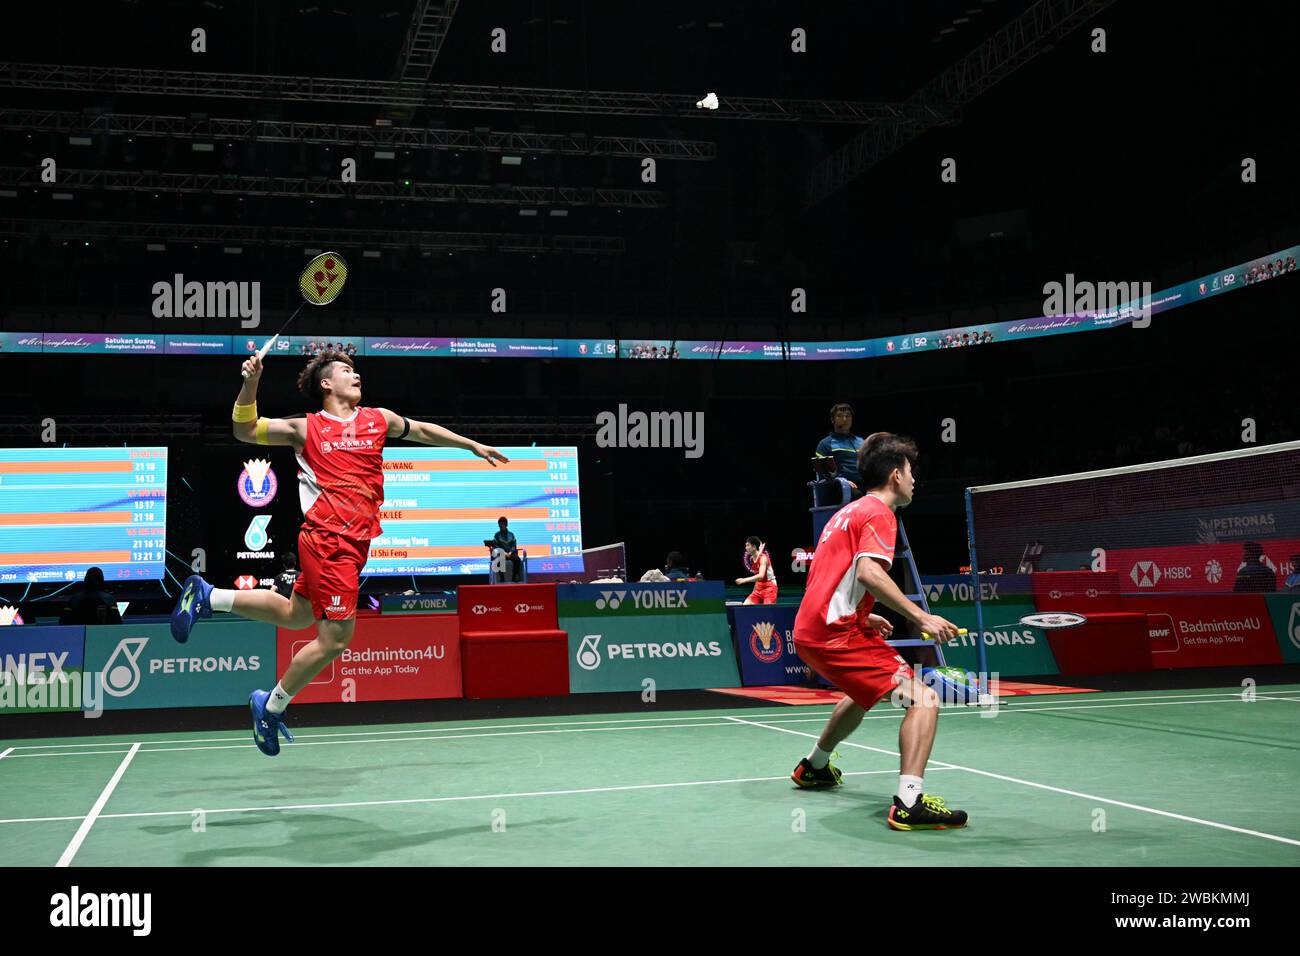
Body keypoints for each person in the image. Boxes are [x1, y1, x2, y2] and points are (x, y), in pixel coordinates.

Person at [170, 348, 507, 756]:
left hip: (353, 542)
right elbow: (245, 430)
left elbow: (421, 430)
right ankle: (271, 706)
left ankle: (209, 596)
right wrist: (251, 381)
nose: (357, 374)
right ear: (326, 384)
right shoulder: (306, 429)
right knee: (335, 639)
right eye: (347, 371)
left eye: (356, 369)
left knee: (296, 616)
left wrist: (469, 444)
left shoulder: (378, 419)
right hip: (330, 541)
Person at [789, 433, 968, 831]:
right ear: (894, 475)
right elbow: (869, 573)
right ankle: (909, 802)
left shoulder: (845, 513)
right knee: (923, 699)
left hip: (815, 628)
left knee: (861, 692)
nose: (913, 480)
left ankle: (814, 767)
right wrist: (921, 617)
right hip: (836, 633)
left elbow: (829, 575)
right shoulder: (880, 514)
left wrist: (863, 616)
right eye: (910, 471)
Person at [815, 403, 865, 497]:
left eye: (848, 416)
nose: (845, 419)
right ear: (832, 419)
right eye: (840, 416)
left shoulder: (861, 441)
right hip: (840, 486)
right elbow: (823, 472)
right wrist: (843, 481)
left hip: (864, 484)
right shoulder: (825, 444)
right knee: (857, 495)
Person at [736, 536, 777, 604]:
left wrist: (744, 580)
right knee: (745, 605)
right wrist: (753, 591)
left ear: (754, 547)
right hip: (758, 588)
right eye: (746, 546)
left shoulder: (763, 558)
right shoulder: (752, 559)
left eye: (748, 545)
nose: (746, 548)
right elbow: (757, 577)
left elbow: (761, 576)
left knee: (767, 610)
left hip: (769, 588)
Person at [493, 516, 523, 583]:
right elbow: (496, 546)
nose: (500, 526)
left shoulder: (511, 535)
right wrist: (504, 553)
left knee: (517, 560)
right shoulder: (496, 535)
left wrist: (510, 552)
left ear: (506, 525)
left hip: (511, 554)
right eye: (499, 524)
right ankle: (502, 578)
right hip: (502, 554)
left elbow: (514, 545)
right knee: (500, 560)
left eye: (502, 524)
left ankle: (514, 577)